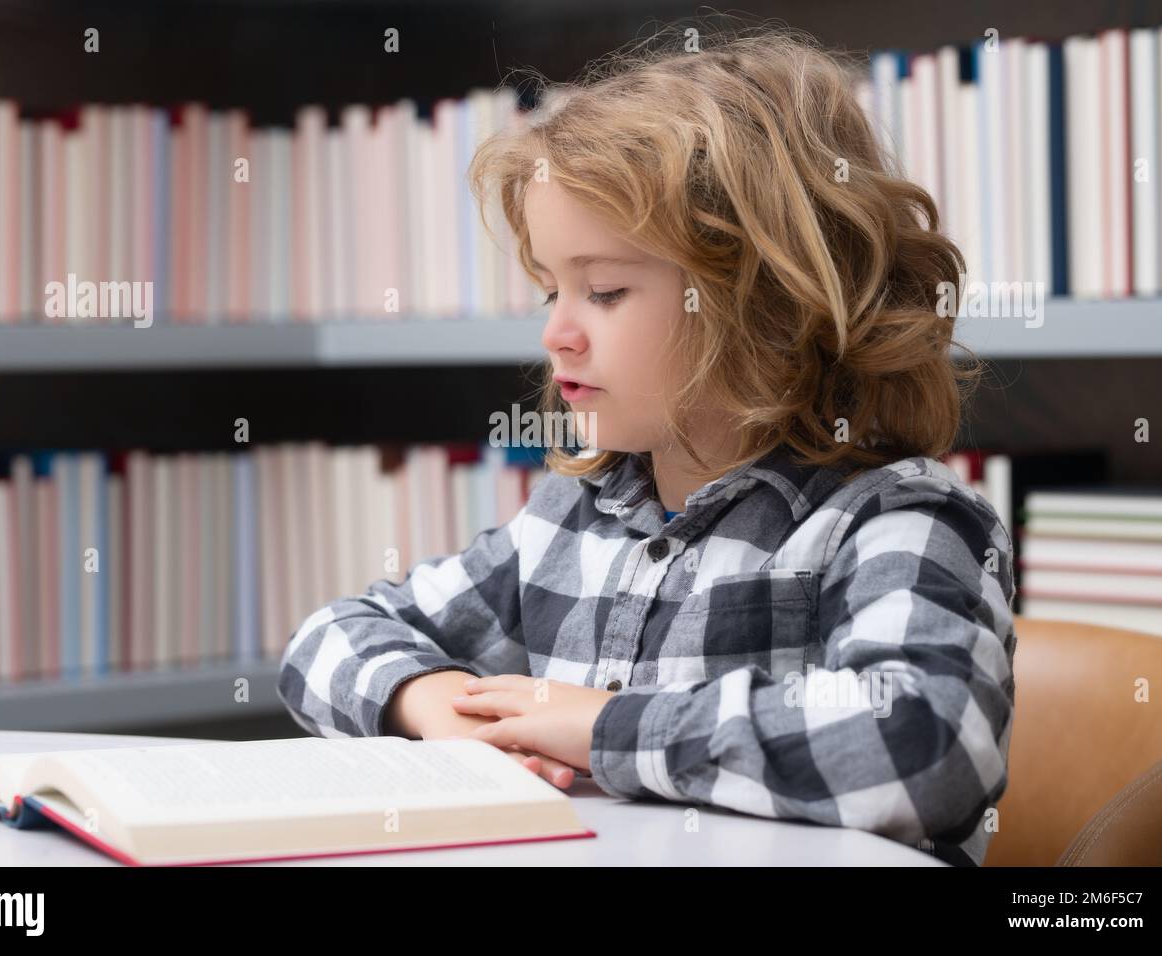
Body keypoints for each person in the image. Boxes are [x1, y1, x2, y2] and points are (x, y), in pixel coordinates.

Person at [278, 25, 1016, 867]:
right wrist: (428, 698)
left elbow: (926, 745)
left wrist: (602, 724)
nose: (556, 333)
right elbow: (329, 636)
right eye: (552, 289)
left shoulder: (898, 521)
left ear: (768, 301)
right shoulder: (575, 519)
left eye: (603, 290)